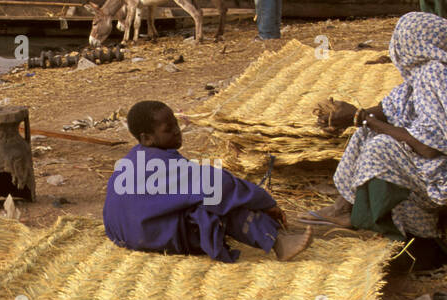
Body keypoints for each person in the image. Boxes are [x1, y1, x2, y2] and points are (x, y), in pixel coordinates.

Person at [313, 13, 447, 238]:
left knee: (381, 147)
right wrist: (348, 115)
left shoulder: (437, 75)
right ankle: (345, 208)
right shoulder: (439, 66)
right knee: (367, 131)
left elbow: (427, 147)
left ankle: (390, 227)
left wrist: (360, 118)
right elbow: (388, 108)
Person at [104, 100, 311, 262]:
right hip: (149, 236)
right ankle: (277, 241)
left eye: (176, 123)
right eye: (169, 129)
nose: (178, 130)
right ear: (147, 138)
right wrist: (266, 202)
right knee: (214, 203)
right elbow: (220, 185)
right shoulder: (162, 164)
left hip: (123, 234)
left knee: (202, 195)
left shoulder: (132, 159)